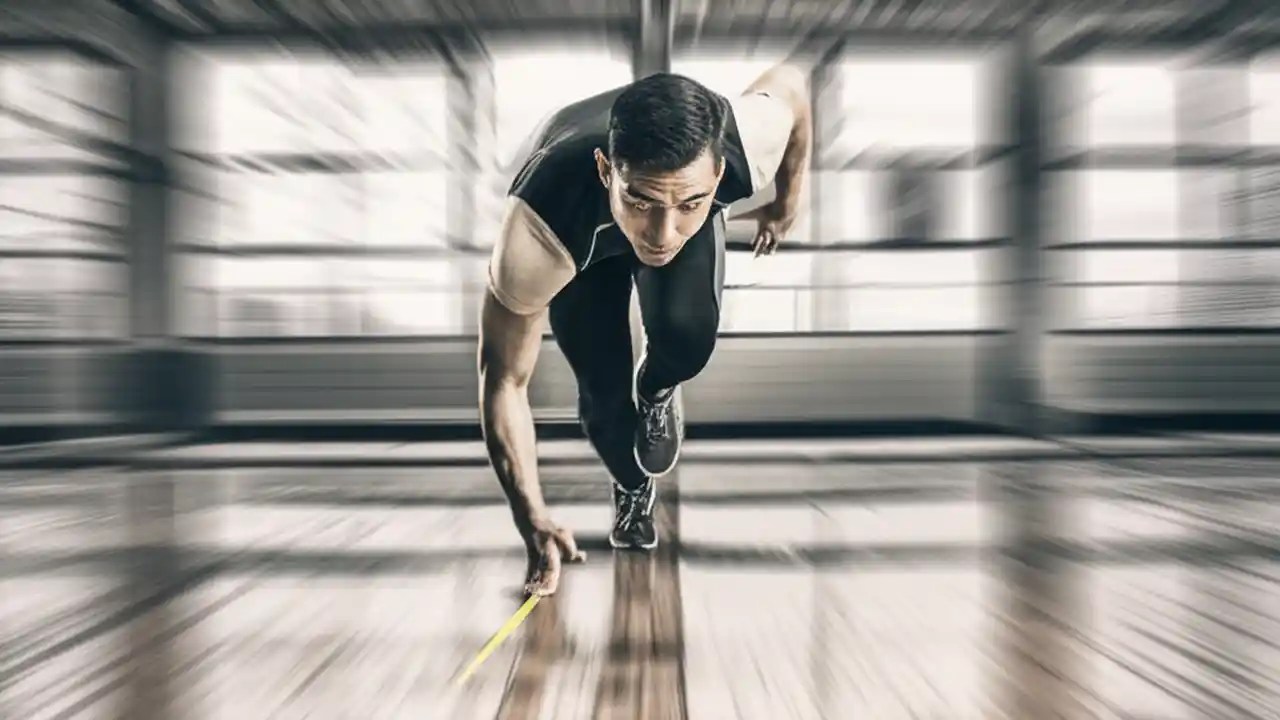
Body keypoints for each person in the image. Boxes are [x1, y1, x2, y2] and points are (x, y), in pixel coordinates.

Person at [478, 64, 812, 596]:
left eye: (691, 204)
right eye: (641, 202)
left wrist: (789, 199)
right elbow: (504, 381)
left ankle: (656, 388)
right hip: (577, 240)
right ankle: (633, 488)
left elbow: (792, 84)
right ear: (607, 169)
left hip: (636, 202)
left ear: (719, 176)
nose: (663, 235)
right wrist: (530, 514)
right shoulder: (536, 231)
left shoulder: (749, 143)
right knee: (602, 402)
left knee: (688, 338)